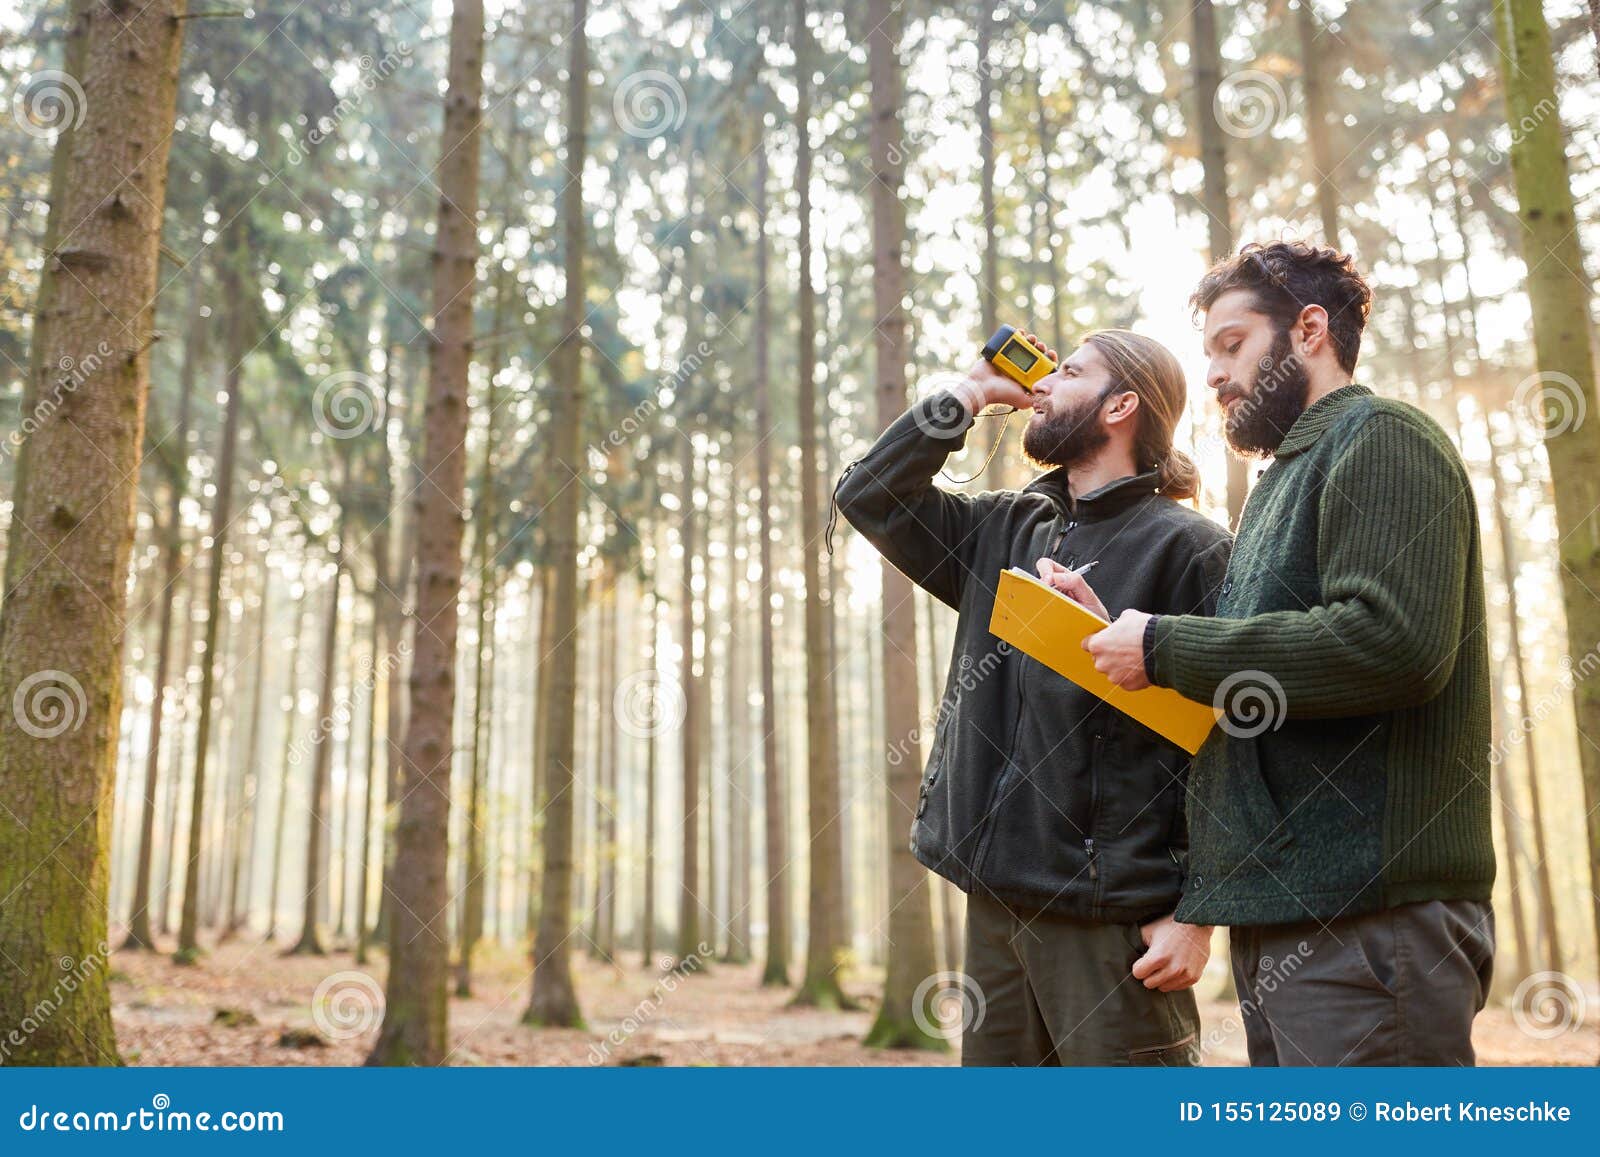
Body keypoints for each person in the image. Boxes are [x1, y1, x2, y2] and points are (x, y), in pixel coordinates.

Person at [1081, 241, 1495, 1066]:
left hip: (1373, 924)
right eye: (1209, 356)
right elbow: (1258, 691)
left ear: (1310, 329)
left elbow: (1392, 644)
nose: (1216, 377)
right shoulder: (1281, 484)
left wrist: (1163, 645)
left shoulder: (1381, 438)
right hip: (1289, 921)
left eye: (1232, 345)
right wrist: (1115, 633)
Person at [835, 328, 1231, 1065]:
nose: (1042, 386)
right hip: (993, 903)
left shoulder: (1191, 547)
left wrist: (1197, 913)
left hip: (1112, 923)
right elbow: (869, 495)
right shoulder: (1003, 527)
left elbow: (1231, 742)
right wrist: (972, 391)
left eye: (1069, 373)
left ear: (1121, 406)